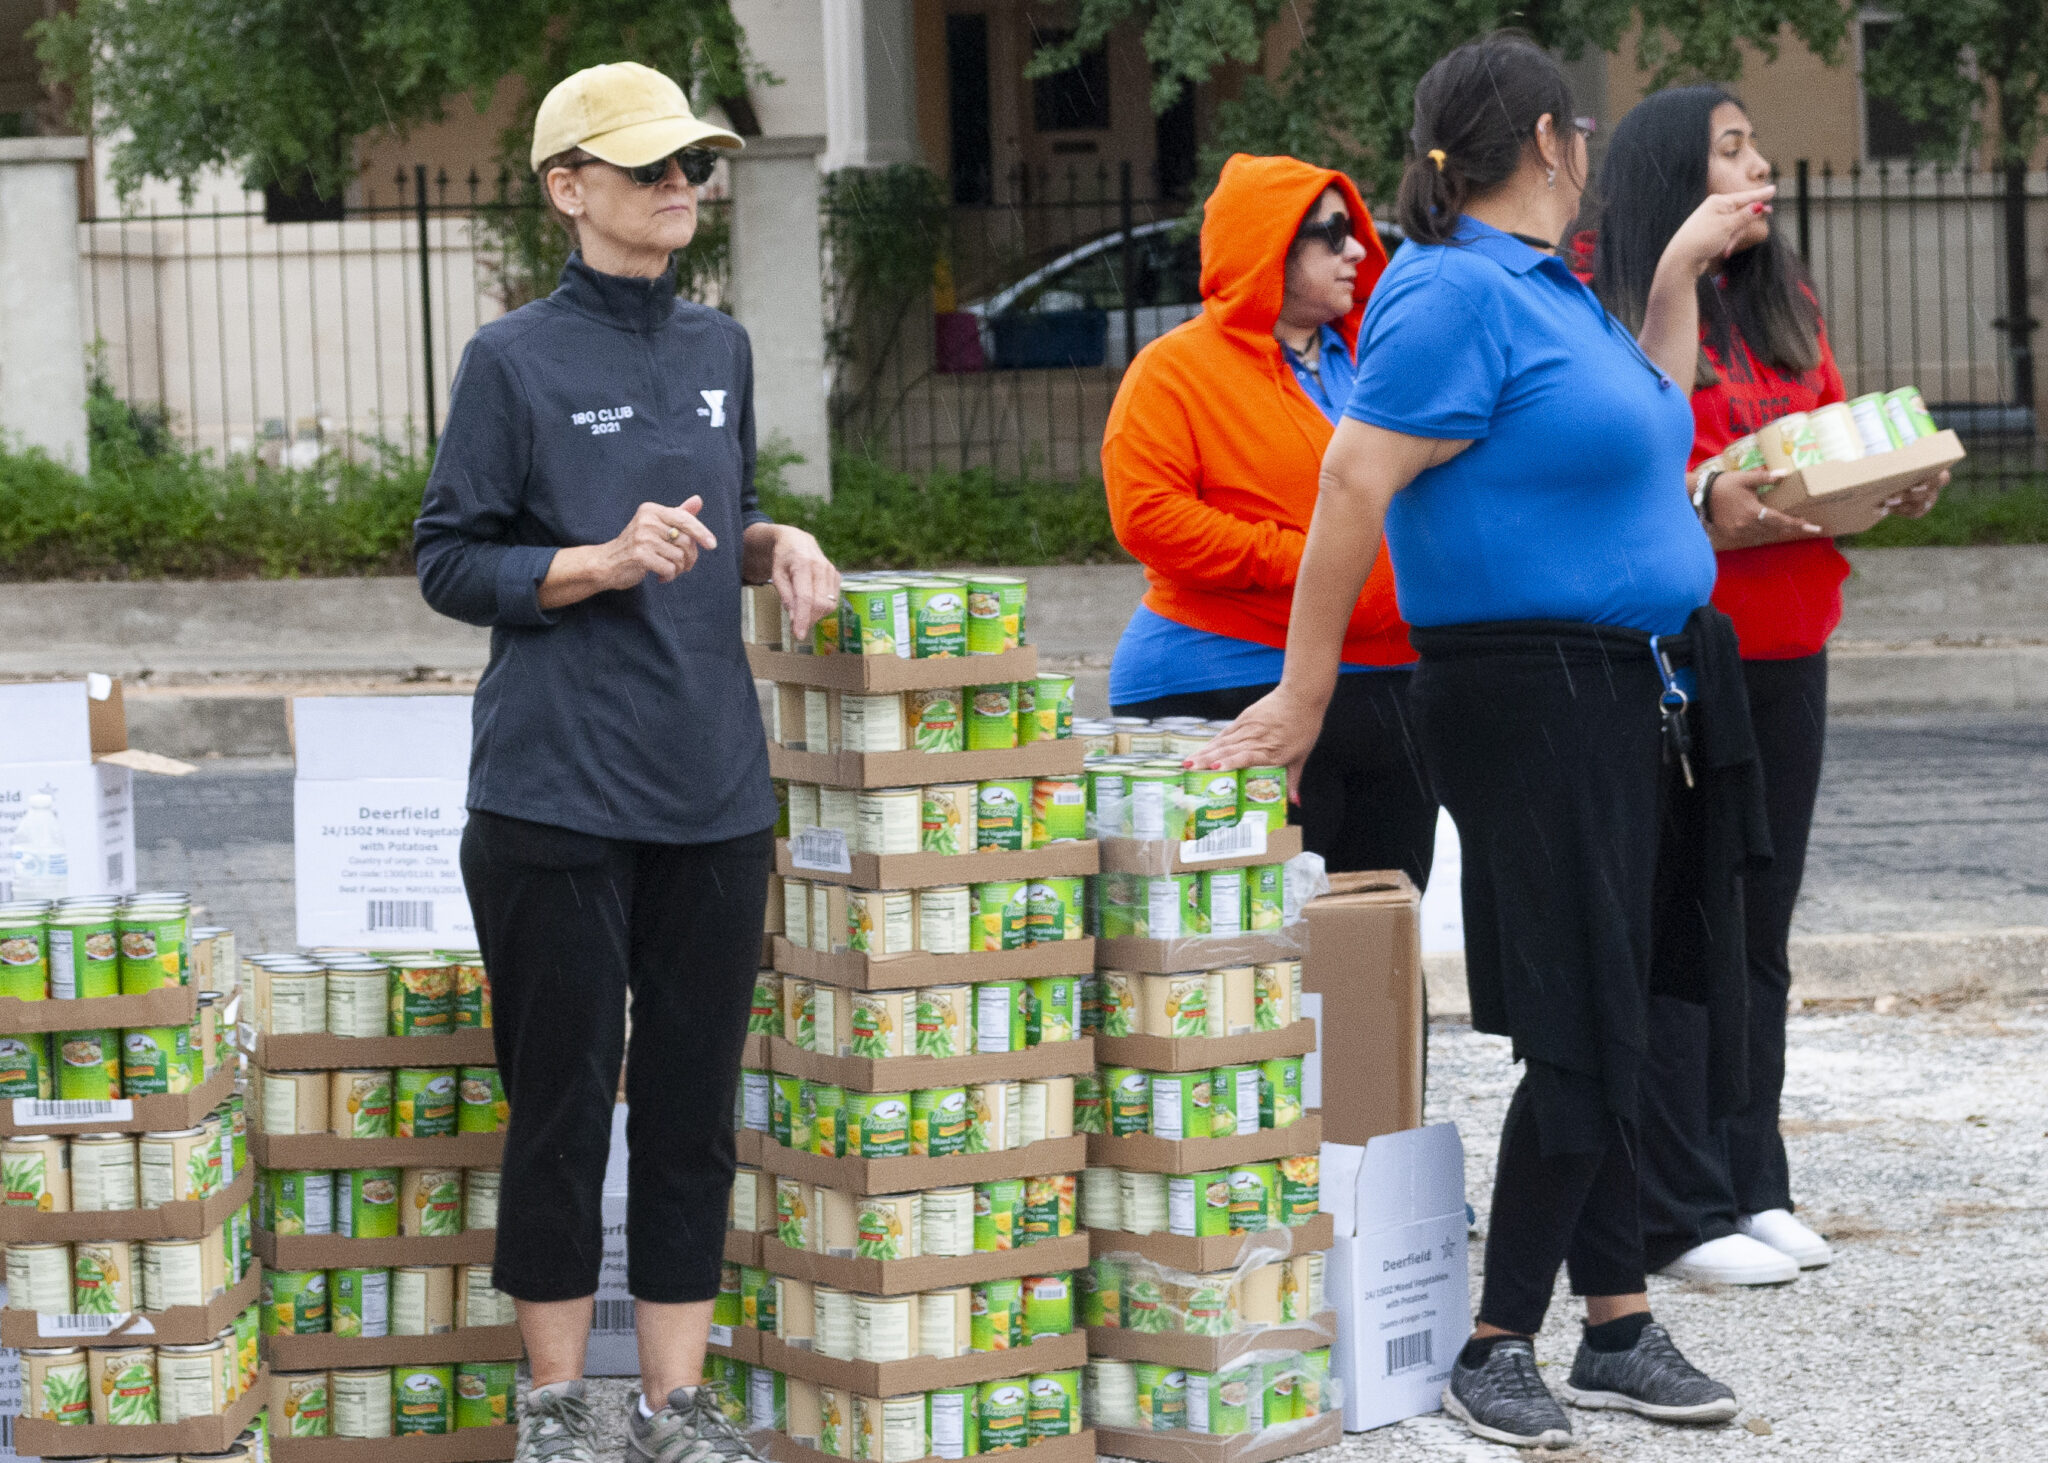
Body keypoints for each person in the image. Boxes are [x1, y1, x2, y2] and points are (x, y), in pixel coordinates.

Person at [1200, 34, 1775, 1450]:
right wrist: (1309, 691)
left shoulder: (1556, 293)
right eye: (1581, 128)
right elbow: (1352, 478)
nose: (1592, 145)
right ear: (1545, 137)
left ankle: (1620, 1316)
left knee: (1622, 1000)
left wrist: (1675, 281)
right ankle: (1497, 1334)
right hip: (1527, 691)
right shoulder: (1452, 290)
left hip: (1625, 682)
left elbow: (1646, 413)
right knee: (1586, 1024)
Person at [413, 62, 839, 1463]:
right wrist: (590, 563)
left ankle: (674, 1399)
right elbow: (448, 558)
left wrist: (779, 544)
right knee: (559, 1105)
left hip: (712, 789)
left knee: (693, 1106)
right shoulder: (510, 361)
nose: (682, 186)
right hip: (554, 793)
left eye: (693, 165)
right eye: (652, 165)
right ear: (567, 188)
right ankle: (556, 1403)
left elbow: (736, 510)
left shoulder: (720, 349)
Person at [1591, 86, 1946, 1285]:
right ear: (1669, 175)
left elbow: (1816, 436)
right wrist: (1702, 497)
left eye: (1754, 145)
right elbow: (1625, 457)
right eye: (1730, 149)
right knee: (1682, 921)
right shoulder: (1614, 293)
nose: (1761, 170)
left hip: (1791, 637)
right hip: (1677, 645)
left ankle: (1755, 1179)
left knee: (1759, 919)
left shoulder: (1780, 296)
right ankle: (1678, 1202)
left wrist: (1884, 474)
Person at [1100, 154, 1437, 884]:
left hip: (1393, 689)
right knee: (1256, 953)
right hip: (1223, 683)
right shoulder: (1175, 369)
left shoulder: (1377, 363)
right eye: (1331, 234)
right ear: (1268, 247)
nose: (1357, 249)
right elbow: (1148, 516)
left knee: (1379, 940)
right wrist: (1312, 563)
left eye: (1357, 232)